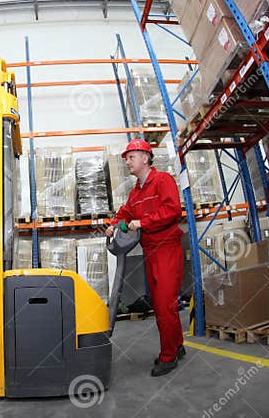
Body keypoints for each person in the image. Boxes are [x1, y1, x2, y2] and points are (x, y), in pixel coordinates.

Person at [105, 138, 185, 377]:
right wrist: (112, 225)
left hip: (167, 248)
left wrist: (144, 222)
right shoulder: (136, 192)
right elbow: (125, 213)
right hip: (150, 250)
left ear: (145, 157)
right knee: (163, 303)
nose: (127, 162)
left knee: (163, 304)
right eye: (126, 158)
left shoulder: (163, 180)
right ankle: (177, 344)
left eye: (131, 157)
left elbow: (172, 210)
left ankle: (168, 357)